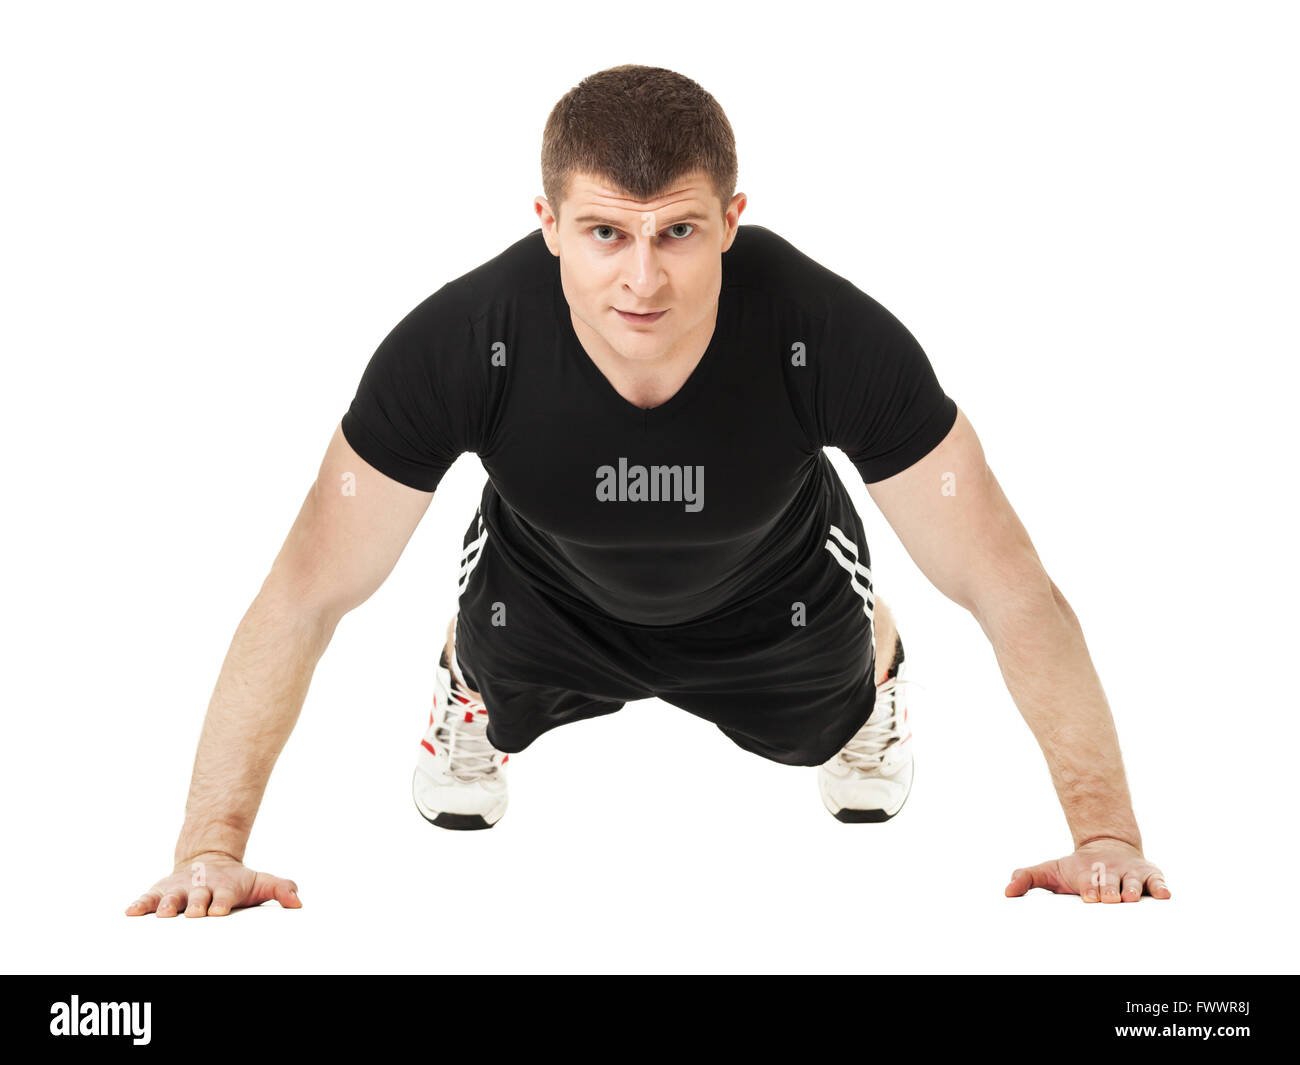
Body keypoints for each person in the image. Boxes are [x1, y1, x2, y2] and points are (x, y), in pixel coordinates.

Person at [127, 64, 1170, 919]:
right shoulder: (463, 343)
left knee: (828, 721)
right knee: (493, 662)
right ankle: (465, 675)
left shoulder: (825, 334)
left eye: (676, 231)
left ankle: (875, 660)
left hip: (774, 595)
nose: (641, 279)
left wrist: (1104, 835)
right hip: (546, 595)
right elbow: (304, 592)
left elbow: (1006, 583)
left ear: (729, 220)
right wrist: (210, 848)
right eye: (605, 233)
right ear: (548, 222)